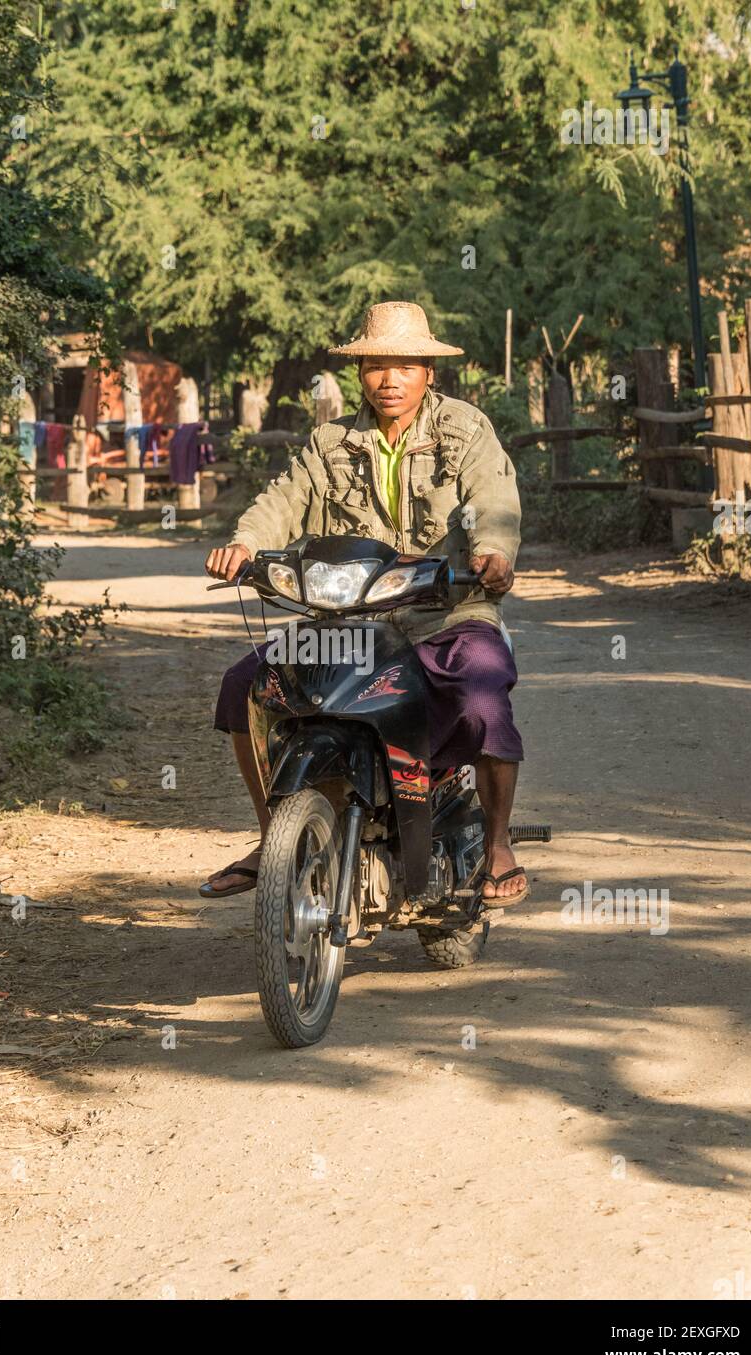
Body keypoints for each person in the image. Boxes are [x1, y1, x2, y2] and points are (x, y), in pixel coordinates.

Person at [202, 301, 527, 904]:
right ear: (361, 373)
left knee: (483, 699)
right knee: (245, 684)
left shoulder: (467, 430)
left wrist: (493, 555)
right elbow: (284, 498)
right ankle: (273, 834)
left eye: (405, 365)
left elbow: (495, 502)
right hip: (352, 618)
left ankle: (500, 843)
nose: (390, 378)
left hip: (446, 613)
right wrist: (245, 543)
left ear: (430, 372)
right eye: (378, 365)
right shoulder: (330, 442)